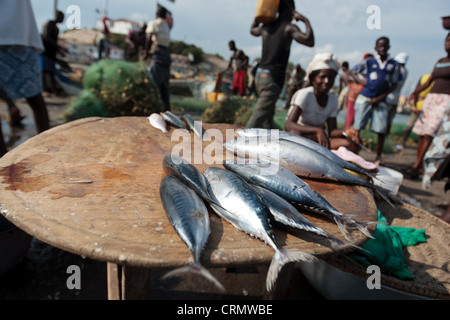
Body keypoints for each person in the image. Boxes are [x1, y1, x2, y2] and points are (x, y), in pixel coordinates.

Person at [246, 0, 314, 129]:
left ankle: (274, 140)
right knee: (258, 118)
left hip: (260, 76)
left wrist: (260, 16)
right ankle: (239, 141)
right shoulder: (289, 28)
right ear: (291, 11)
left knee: (267, 116)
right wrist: (305, 20)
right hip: (273, 78)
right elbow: (309, 41)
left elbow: (252, 30)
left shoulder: (266, 27)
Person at [0, 0, 50, 156]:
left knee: (35, 98)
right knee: (36, 99)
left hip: (21, 32)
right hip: (21, 33)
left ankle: (48, 151)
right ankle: (4, 163)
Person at [284, 53, 360, 152]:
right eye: (322, 77)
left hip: (318, 138)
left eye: (331, 78)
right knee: (295, 134)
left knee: (351, 144)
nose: (327, 81)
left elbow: (332, 131)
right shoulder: (305, 95)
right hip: (301, 135)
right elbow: (288, 124)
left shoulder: (333, 99)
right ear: (313, 79)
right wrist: (317, 130)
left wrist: (347, 132)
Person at [402, 32, 450, 179]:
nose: (448, 43)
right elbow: (430, 80)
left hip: (446, 100)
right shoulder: (440, 61)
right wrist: (415, 93)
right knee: (422, 134)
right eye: (447, 40)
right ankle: (419, 165)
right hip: (431, 98)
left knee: (430, 133)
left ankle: (417, 166)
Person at [352, 36, 401, 165]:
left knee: (381, 129)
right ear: (375, 48)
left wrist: (380, 97)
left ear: (388, 47)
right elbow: (353, 71)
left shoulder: (393, 64)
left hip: (381, 100)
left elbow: (394, 84)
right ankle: (353, 152)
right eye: (380, 46)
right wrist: (364, 82)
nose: (382, 48)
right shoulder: (369, 61)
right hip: (366, 96)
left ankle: (378, 156)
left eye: (385, 46)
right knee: (358, 126)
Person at [143, 5, 172, 111]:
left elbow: (149, 37)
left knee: (153, 86)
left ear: (156, 14)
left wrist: (146, 52)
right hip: (166, 57)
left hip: (158, 56)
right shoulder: (167, 26)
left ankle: (151, 110)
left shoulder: (154, 23)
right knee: (165, 90)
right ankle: (167, 111)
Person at [398, 74, 434, 149]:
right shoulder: (426, 78)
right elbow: (417, 90)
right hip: (420, 106)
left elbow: (417, 90)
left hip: (426, 108)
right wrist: (414, 106)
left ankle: (419, 146)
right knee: (410, 126)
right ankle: (403, 143)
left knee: (422, 130)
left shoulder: (434, 80)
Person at [41, 10, 65, 96]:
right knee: (43, 72)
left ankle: (55, 91)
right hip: (45, 52)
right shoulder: (49, 24)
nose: (63, 19)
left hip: (51, 53)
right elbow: (46, 37)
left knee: (51, 72)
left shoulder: (56, 28)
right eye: (62, 17)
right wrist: (58, 47)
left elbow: (54, 41)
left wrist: (60, 50)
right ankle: (43, 90)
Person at [345, 53, 372, 130]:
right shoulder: (360, 66)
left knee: (356, 115)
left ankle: (352, 132)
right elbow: (350, 74)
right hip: (354, 94)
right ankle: (347, 131)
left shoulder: (369, 67)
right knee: (351, 114)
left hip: (360, 95)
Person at [386, 52, 409, 135]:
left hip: (388, 97)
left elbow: (391, 83)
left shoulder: (397, 69)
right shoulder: (406, 71)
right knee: (389, 121)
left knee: (384, 121)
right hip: (396, 98)